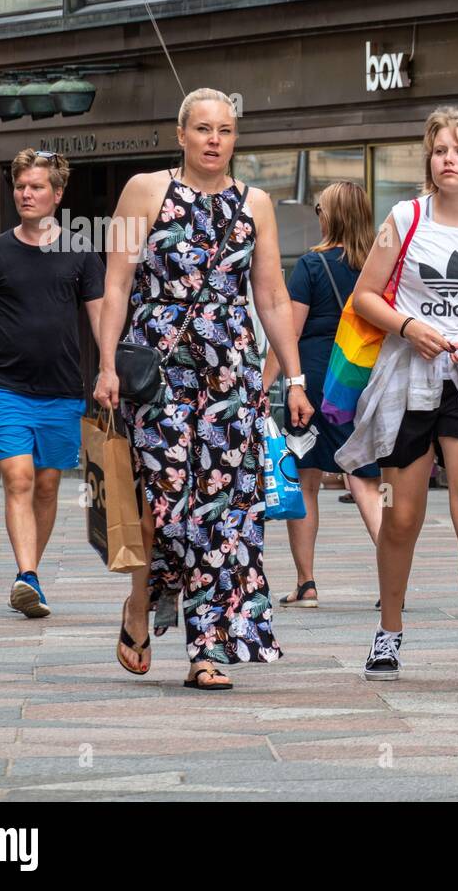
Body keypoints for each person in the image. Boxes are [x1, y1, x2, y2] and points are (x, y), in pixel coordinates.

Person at [94, 88, 313, 691]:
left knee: (225, 513)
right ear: (181, 134)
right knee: (163, 500)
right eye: (203, 129)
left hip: (232, 374)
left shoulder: (256, 203)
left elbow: (270, 296)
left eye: (226, 130)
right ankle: (141, 599)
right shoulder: (146, 190)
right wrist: (107, 364)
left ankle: (207, 649)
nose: (215, 140)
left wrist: (292, 377)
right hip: (159, 371)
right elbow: (116, 285)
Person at [336, 106, 458, 689]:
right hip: (408, 379)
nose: (448, 158)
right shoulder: (405, 218)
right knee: (402, 515)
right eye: (440, 149)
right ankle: (389, 631)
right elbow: (364, 296)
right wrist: (406, 326)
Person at [0, 149, 103, 619]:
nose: (26, 194)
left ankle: (32, 575)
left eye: (37, 186)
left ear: (57, 194)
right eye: (20, 186)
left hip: (63, 393)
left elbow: (100, 317)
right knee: (19, 478)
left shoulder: (80, 251)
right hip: (5, 389)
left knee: (48, 486)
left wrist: (110, 368)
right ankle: (26, 575)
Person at [263, 182, 383, 606]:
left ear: (328, 215)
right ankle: (394, 579)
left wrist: (265, 384)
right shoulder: (378, 265)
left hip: (314, 379)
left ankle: (306, 583)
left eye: (319, 209)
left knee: (306, 481)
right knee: (366, 480)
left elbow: (289, 332)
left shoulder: (311, 266)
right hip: (362, 375)